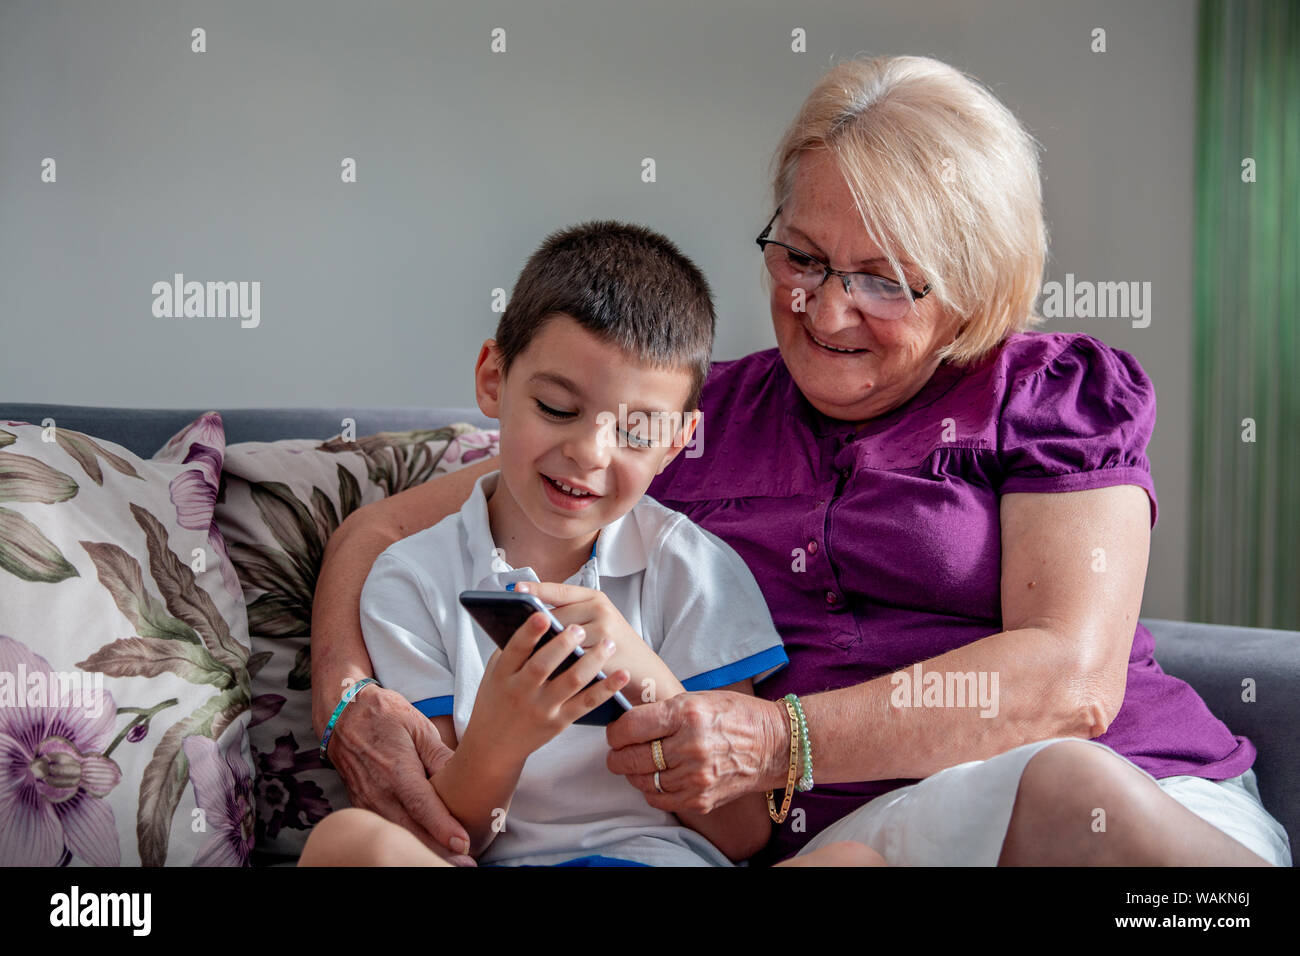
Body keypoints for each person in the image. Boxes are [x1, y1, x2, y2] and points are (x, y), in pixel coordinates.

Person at [308, 55, 1291, 866]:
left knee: (1064, 786)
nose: (823, 311)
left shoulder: (1048, 392)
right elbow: (388, 525)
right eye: (801, 257)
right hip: (854, 841)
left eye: (882, 279)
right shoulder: (692, 416)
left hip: (1117, 799)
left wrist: (785, 738)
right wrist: (349, 696)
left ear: (974, 285)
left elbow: (1067, 682)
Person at [299, 221, 880, 867]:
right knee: (347, 842)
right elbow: (443, 834)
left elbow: (741, 836)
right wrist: (500, 737)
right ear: (493, 379)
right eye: (555, 407)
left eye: (636, 432)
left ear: (678, 441)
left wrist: (649, 680)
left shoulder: (695, 571)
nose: (588, 453)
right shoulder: (410, 578)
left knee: (854, 861)